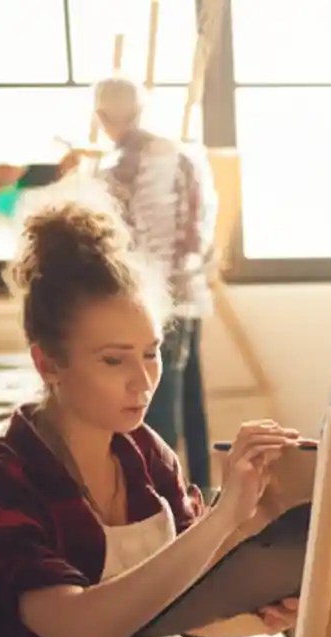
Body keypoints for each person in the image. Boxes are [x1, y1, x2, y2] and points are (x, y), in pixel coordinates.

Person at [0, 204, 321, 637]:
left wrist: (261, 614)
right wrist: (224, 518)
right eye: (113, 360)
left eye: (150, 353)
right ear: (48, 362)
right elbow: (91, 631)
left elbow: (180, 615)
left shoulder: (145, 457)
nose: (143, 380)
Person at [93, 76, 218, 496]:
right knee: (191, 406)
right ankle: (203, 497)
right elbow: (203, 229)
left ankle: (166, 506)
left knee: (158, 414)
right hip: (191, 294)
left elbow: (118, 245)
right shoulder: (184, 155)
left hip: (151, 304)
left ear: (102, 117)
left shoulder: (116, 168)